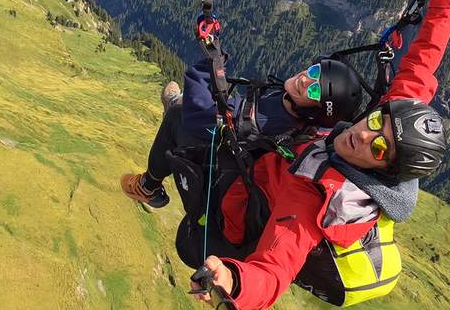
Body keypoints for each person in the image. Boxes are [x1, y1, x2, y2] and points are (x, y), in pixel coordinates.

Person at [191, 0, 450, 310]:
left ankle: (153, 182)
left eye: (380, 149)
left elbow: (276, 269)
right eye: (374, 123)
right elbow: (419, 68)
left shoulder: (317, 197)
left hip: (245, 198)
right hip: (290, 153)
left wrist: (232, 280)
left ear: (386, 171)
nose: (366, 136)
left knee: (191, 128)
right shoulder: (394, 122)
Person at [120, 50, 364, 209]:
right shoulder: (297, 116)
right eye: (314, 72)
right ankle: (178, 101)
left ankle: (147, 186)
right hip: (234, 141)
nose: (305, 81)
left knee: (176, 116)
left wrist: (209, 63)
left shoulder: (264, 121)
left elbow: (199, 116)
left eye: (314, 91)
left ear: (314, 111)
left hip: (214, 159)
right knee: (187, 106)